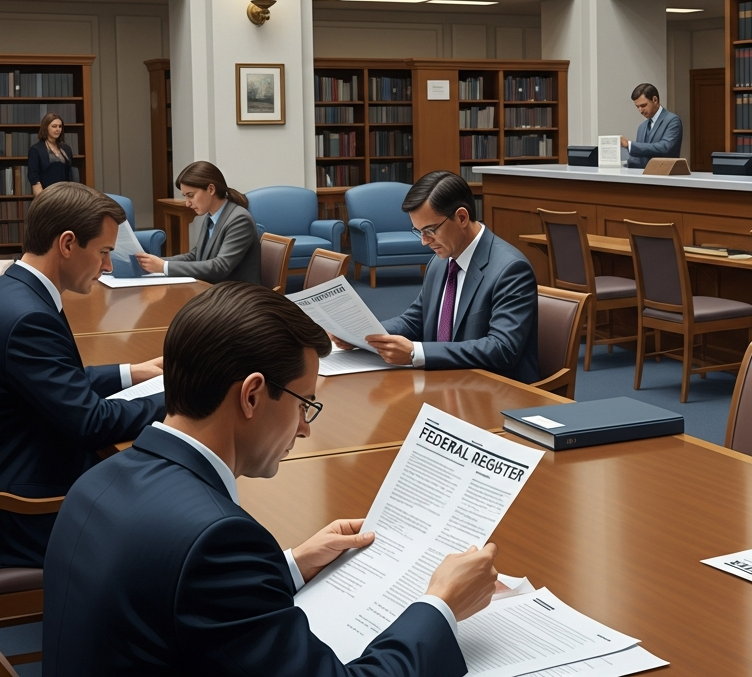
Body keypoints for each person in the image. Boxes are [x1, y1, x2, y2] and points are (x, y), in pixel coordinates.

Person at [43, 282, 500, 676]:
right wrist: (440, 605)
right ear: (252, 395)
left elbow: (176, 596)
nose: (304, 427)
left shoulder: (96, 480)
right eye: (305, 404)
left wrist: (292, 565)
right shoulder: (217, 540)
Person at [0, 183, 165, 568]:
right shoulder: (30, 318)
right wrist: (187, 397)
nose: (108, 266)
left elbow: (53, 382)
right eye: (104, 252)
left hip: (26, 458)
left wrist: (131, 373)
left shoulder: (15, 289)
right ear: (68, 244)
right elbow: (90, 423)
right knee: (167, 529)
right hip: (32, 507)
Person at [333, 171, 539, 382]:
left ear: (461, 217)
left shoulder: (510, 270)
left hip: (494, 389)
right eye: (418, 231)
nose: (424, 241)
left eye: (430, 230)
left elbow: (502, 349)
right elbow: (416, 320)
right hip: (447, 381)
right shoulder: (440, 261)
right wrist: (364, 337)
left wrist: (416, 353)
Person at [136, 160, 262, 285]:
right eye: (185, 196)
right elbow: (196, 255)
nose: (187, 203)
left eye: (190, 195)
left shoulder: (239, 220)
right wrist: (154, 263)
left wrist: (164, 266)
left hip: (237, 297)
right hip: (215, 292)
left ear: (211, 189)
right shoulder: (210, 217)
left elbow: (220, 267)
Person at [620, 83, 682, 169]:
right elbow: (641, 157)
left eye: (643, 105)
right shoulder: (642, 127)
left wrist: (629, 145)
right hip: (644, 178)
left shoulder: (672, 120)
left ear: (655, 100)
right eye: (637, 107)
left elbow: (665, 148)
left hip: (666, 177)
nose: (640, 110)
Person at [26, 112, 76, 195]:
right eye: (54, 126)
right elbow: (35, 180)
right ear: (46, 128)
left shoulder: (67, 148)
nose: (58, 129)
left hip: (66, 195)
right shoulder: (35, 150)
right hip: (47, 196)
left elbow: (70, 176)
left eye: (60, 126)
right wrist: (43, 201)